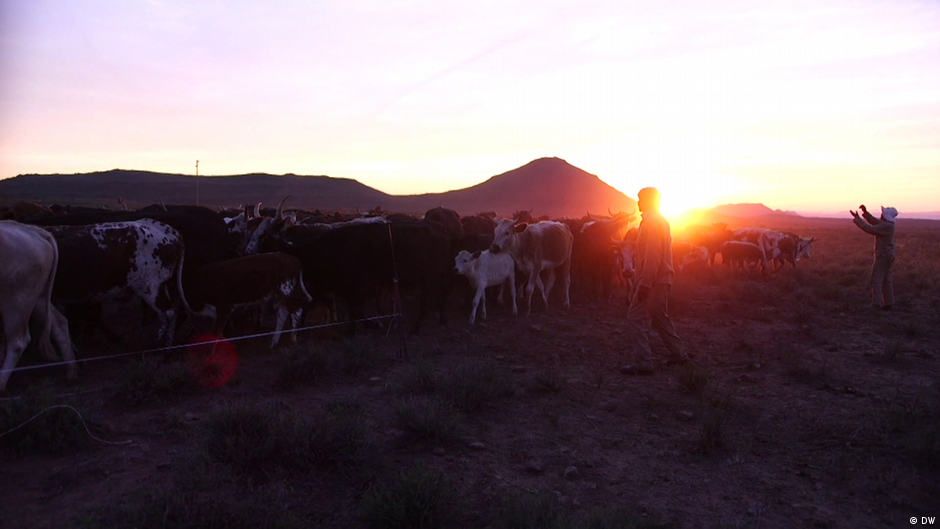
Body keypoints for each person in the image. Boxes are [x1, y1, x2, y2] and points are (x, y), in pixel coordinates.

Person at [621, 187, 690, 376]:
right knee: (659, 317)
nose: (638, 202)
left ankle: (643, 363)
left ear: (650, 200)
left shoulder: (651, 223)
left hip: (653, 280)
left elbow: (653, 255)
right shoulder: (660, 221)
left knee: (636, 318)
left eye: (640, 198)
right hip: (663, 278)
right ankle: (679, 354)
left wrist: (644, 283)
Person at [850, 204, 897, 311]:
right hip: (888, 255)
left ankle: (876, 304)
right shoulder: (888, 224)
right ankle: (889, 303)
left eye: (883, 214)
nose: (881, 215)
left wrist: (857, 219)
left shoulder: (886, 226)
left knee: (877, 279)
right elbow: (874, 222)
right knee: (886, 279)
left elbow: (869, 228)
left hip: (883, 255)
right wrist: (865, 213)